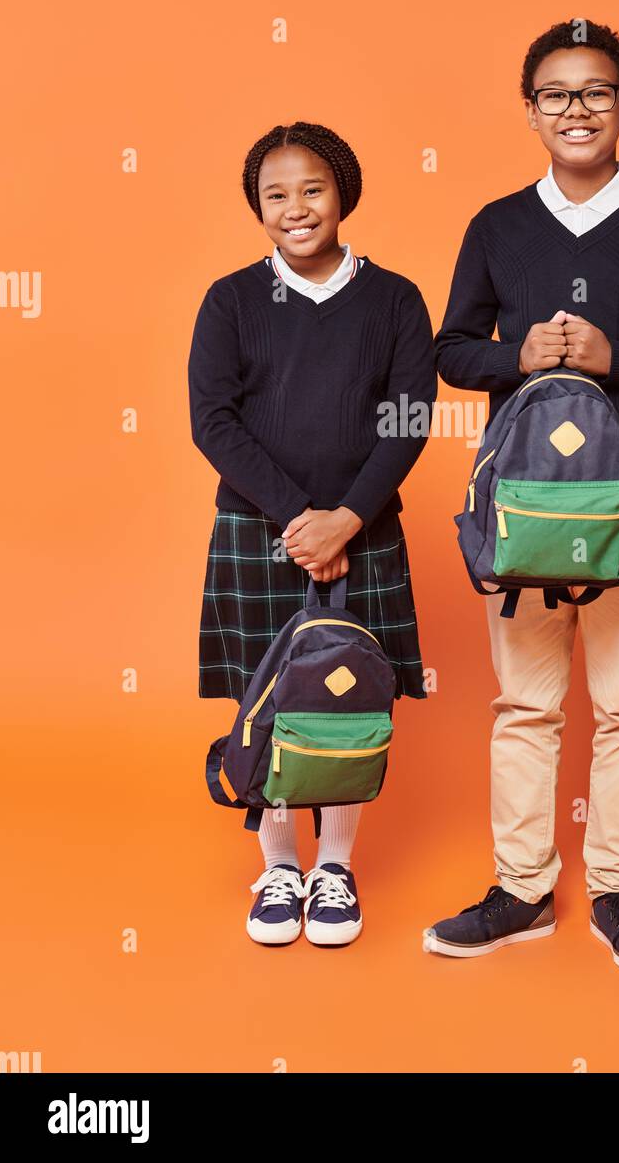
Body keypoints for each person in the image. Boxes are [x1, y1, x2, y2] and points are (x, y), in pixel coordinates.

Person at [423, 20, 619, 970]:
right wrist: (514, 358)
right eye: (556, 94)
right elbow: (447, 352)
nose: (577, 109)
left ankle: (617, 891)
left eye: (596, 91)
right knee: (525, 704)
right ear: (530, 111)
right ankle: (522, 890)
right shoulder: (495, 225)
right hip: (523, 502)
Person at [189, 121, 436, 947]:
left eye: (313, 189)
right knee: (264, 698)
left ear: (344, 194)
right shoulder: (229, 300)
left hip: (362, 529)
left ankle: (334, 868)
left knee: (346, 700)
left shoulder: (394, 298)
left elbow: (408, 420)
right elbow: (213, 422)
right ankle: (279, 866)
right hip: (259, 533)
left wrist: (346, 519)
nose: (296, 208)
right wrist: (300, 519)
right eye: (276, 195)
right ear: (257, 208)